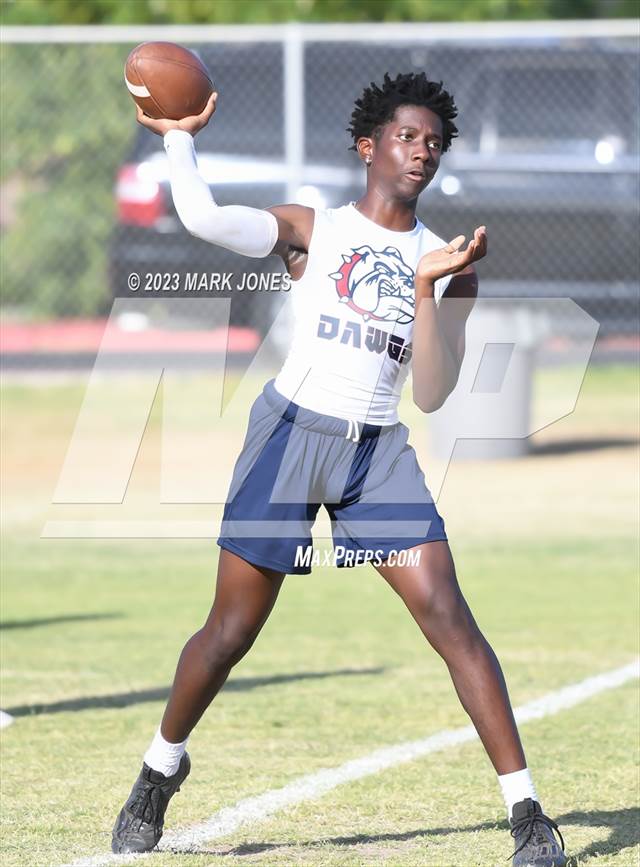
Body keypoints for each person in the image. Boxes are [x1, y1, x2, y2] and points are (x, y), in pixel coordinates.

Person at [111, 72, 567, 867]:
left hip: (377, 453)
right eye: (406, 136)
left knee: (451, 619)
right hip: (290, 434)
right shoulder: (313, 228)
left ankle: (528, 815)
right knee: (229, 633)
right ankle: (159, 768)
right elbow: (205, 217)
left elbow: (430, 391)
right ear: (367, 145)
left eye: (433, 141)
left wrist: (429, 290)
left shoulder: (450, 261)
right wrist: (179, 135)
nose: (421, 150)